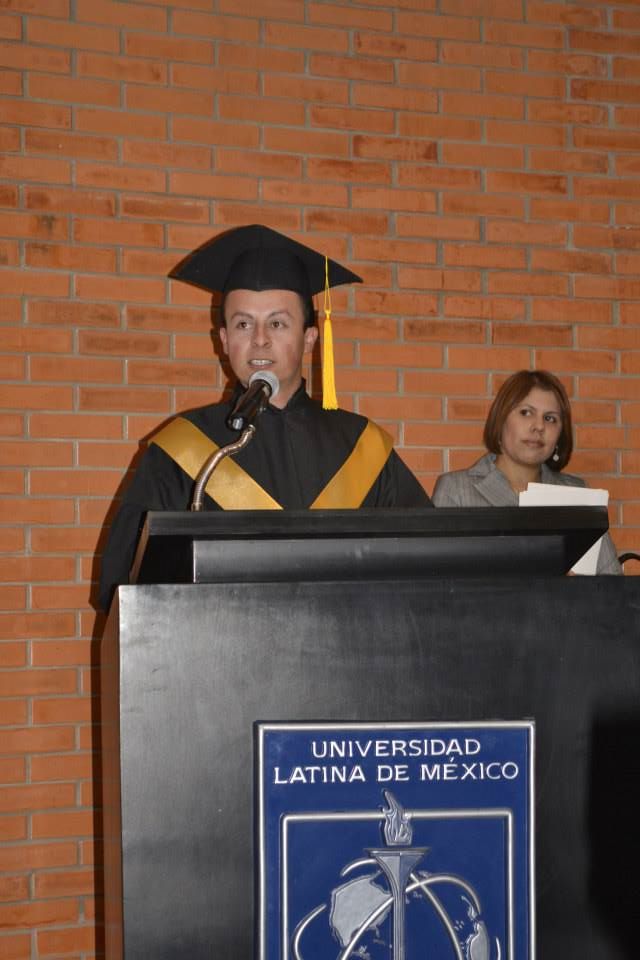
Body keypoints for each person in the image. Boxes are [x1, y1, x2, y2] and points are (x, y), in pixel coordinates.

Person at [99, 225, 432, 610]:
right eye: (243, 324)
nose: (259, 339)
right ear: (224, 340)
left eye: (277, 323)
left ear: (309, 338)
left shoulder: (363, 448)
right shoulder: (183, 452)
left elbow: (428, 570)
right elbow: (124, 589)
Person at [431, 369, 621, 574]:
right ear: (500, 421)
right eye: (526, 413)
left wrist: (577, 587)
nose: (539, 426)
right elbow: (436, 582)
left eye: (550, 418)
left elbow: (613, 584)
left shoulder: (578, 495)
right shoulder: (456, 490)